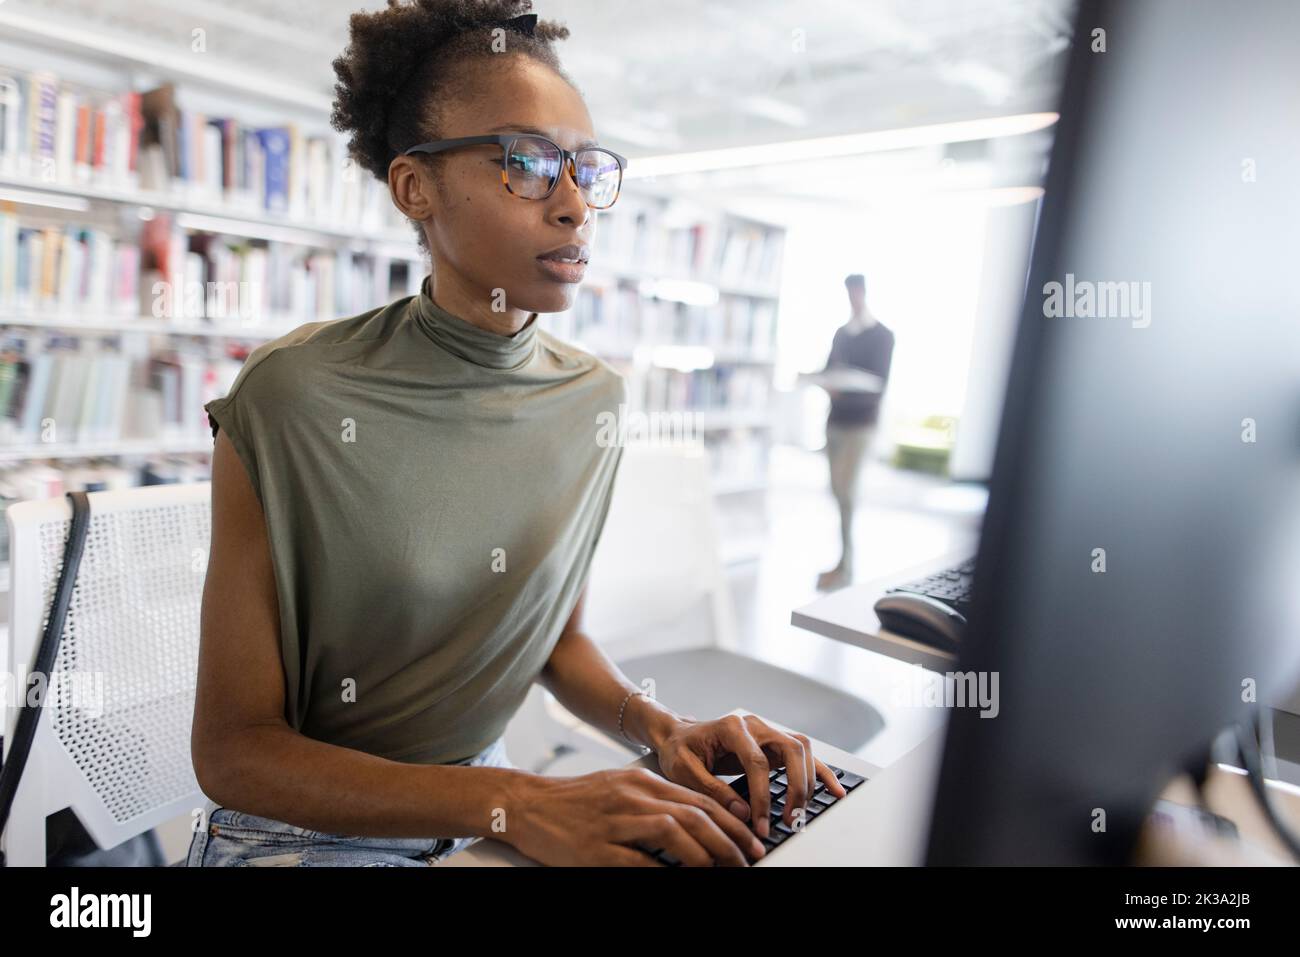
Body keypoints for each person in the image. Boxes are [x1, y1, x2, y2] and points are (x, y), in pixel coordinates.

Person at [188, 0, 844, 868]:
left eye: (584, 168)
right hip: (316, 832)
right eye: (528, 164)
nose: (574, 205)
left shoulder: (593, 398)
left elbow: (551, 639)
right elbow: (234, 753)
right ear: (415, 187)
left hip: (494, 805)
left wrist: (660, 729)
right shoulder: (293, 396)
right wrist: (515, 803)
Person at [816, 273, 894, 591]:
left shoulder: (883, 336)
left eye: (857, 292)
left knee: (847, 492)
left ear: (864, 293)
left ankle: (847, 564)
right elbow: (829, 369)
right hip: (835, 421)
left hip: (860, 425)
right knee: (835, 489)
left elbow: (878, 384)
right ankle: (841, 563)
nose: (853, 298)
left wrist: (847, 390)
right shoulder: (841, 334)